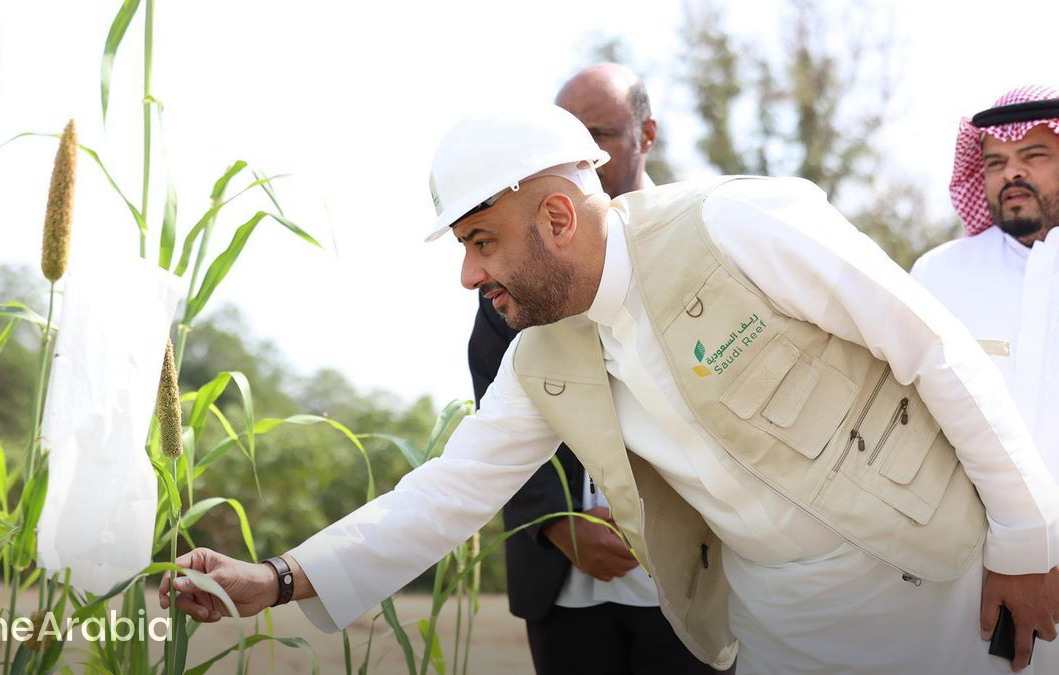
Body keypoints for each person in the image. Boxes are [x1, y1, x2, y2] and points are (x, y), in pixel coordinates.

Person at [161, 104, 1059, 674]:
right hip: (781, 627)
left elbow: (935, 349)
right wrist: (276, 579)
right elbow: (443, 493)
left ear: (557, 216)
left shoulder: (733, 224)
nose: (469, 277)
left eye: (481, 241)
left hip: (940, 588)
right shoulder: (539, 358)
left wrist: (1023, 543)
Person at [468, 63, 710, 675]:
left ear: (645, 134)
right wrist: (556, 524)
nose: (583, 155)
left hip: (695, 576)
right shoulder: (514, 276)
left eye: (598, 134)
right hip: (562, 584)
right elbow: (494, 422)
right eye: (564, 139)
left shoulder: (695, 244)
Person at [911, 84, 1059, 673]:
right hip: (967, 575)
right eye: (995, 162)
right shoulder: (940, 275)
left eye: (1035, 155)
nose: (1011, 174)